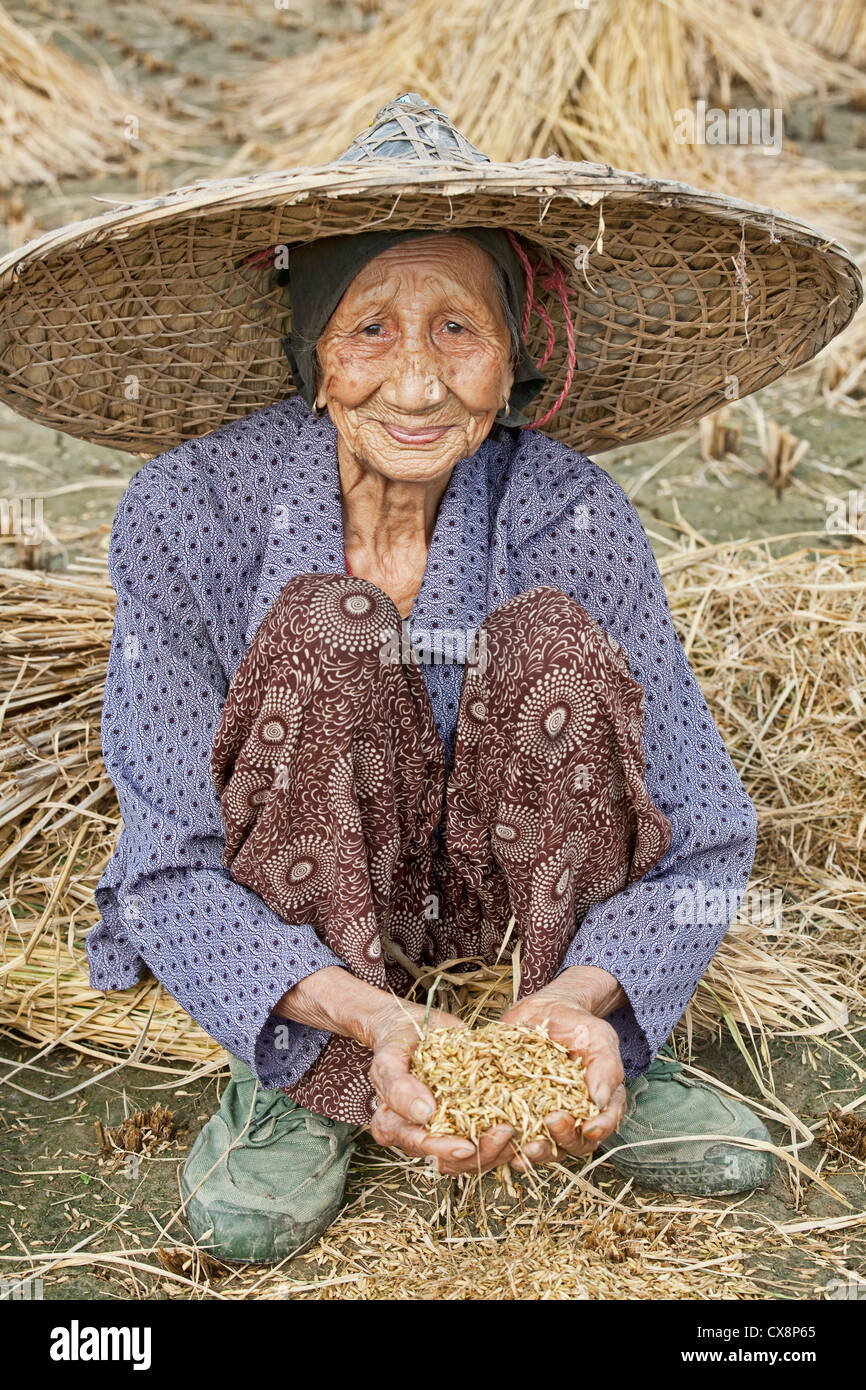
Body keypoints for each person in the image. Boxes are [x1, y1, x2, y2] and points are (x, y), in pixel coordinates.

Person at [52, 95, 855, 1263]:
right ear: (312, 356)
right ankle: (300, 1078)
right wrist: (367, 1018)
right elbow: (165, 865)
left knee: (550, 643)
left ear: (512, 356)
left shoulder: (570, 508)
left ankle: (604, 1052)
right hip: (304, 914)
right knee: (329, 628)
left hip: (516, 914)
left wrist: (580, 1006)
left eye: (456, 331)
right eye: (369, 328)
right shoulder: (186, 514)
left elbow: (709, 832)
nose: (418, 386)